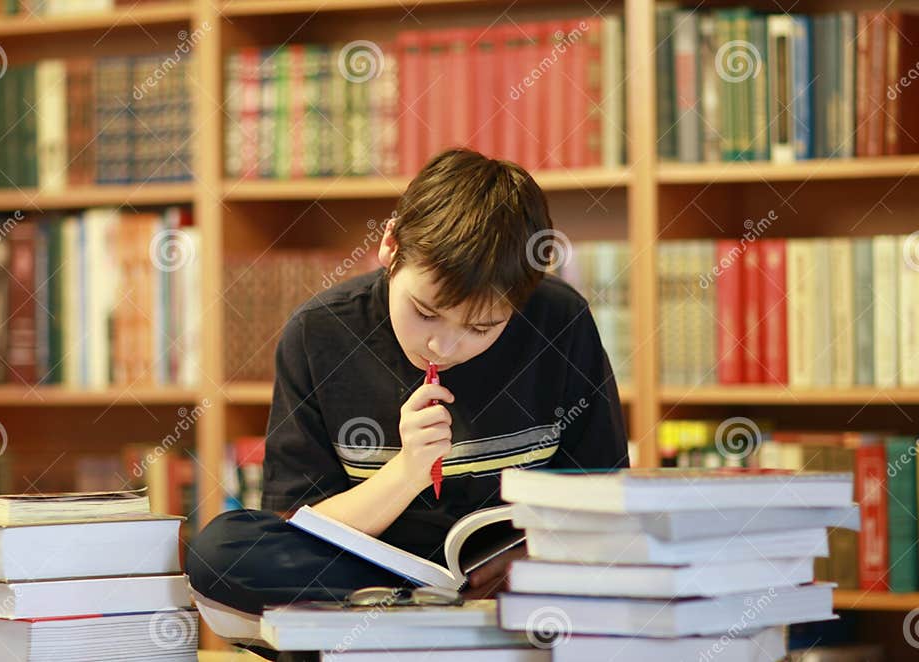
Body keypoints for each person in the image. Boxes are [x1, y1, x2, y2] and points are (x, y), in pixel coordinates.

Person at [187, 148, 629, 660]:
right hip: (368, 576)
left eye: (481, 328)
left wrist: (531, 561)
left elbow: (607, 500)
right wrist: (405, 472)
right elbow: (298, 526)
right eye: (425, 312)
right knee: (222, 550)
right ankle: (440, 624)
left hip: (512, 581)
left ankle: (416, 634)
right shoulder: (321, 334)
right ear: (390, 245)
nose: (443, 346)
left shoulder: (559, 322)